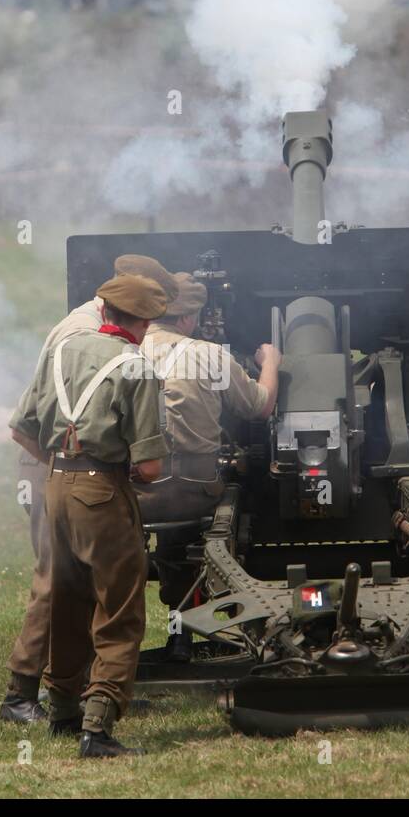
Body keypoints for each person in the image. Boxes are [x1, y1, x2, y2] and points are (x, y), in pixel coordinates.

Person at [0, 255, 178, 725]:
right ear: (139, 318)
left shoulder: (71, 342)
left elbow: (21, 425)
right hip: (94, 486)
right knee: (115, 606)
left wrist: (64, 463)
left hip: (55, 472)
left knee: (68, 596)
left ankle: (60, 706)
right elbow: (151, 464)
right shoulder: (131, 362)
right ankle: (93, 720)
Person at [134, 272, 280, 661]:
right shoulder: (210, 355)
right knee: (224, 501)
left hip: (135, 494)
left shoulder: (121, 352)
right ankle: (201, 628)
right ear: (187, 319)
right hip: (191, 491)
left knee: (170, 539)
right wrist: (271, 362)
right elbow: (259, 406)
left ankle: (169, 635)